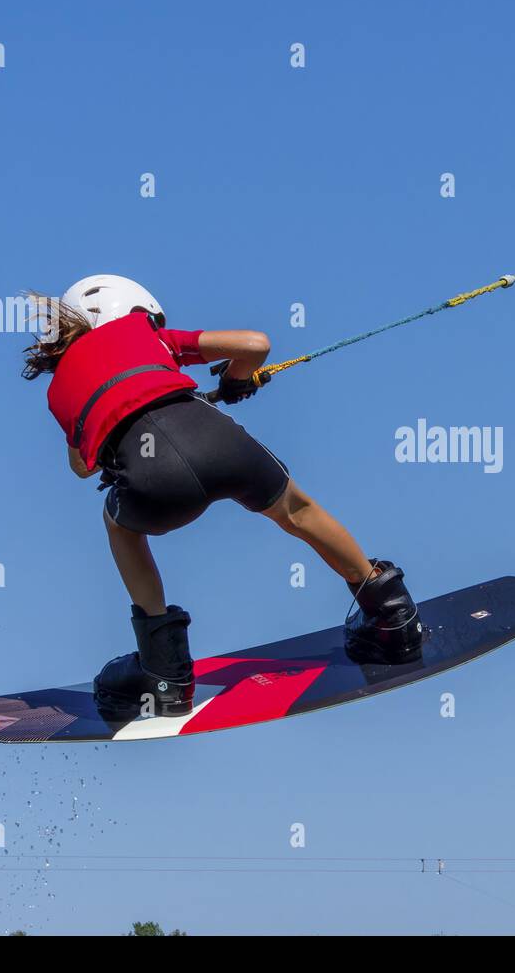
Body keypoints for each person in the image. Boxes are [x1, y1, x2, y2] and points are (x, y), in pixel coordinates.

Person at [22, 274, 421, 716]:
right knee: (297, 510)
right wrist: (235, 380)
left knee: (118, 526)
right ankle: (391, 616)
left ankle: (165, 672)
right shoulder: (143, 333)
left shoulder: (58, 390)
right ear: (139, 310)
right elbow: (255, 344)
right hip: (223, 446)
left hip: (158, 484)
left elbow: (82, 467)